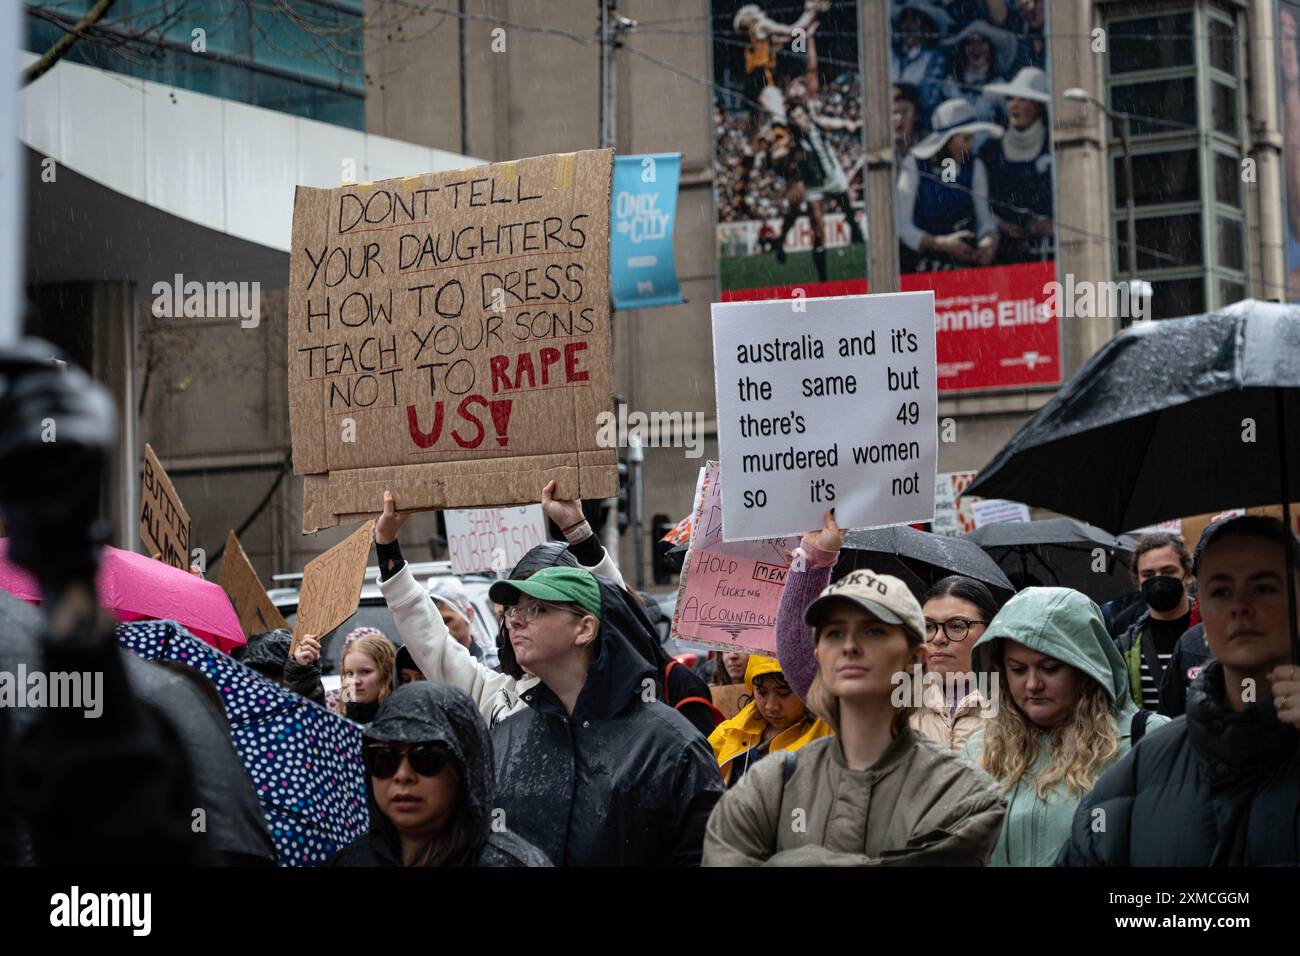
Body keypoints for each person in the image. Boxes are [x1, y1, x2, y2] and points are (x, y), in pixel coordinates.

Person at [704, 540, 1006, 865]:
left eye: (873, 631)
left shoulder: (966, 793)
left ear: (915, 658)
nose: (849, 645)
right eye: (834, 633)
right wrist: (814, 557)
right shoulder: (770, 784)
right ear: (819, 656)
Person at [1058, 516, 1300, 866]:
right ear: (1201, 598)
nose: (1240, 606)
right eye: (1220, 590)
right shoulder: (1146, 764)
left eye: (1263, 587)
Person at [487, 565, 724, 865]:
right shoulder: (504, 739)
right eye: (512, 612)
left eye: (536, 609)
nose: (515, 621)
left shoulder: (671, 746)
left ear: (585, 629)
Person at [960, 587, 1169, 865]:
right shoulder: (979, 750)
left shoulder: (1145, 741)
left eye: (1049, 668)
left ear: (1086, 667)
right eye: (1018, 670)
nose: (1033, 684)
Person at [328, 682, 550, 867]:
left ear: (466, 768)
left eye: (427, 757)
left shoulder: (512, 863)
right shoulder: (349, 862)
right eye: (385, 757)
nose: (403, 775)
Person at [896, 98, 1003, 273]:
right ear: (948, 139)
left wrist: (988, 241)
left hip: (966, 264)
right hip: (924, 267)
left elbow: (983, 216)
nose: (970, 146)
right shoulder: (915, 164)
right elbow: (903, 226)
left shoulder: (975, 166)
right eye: (965, 139)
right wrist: (941, 244)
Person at [709, 655, 831, 787]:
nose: (771, 706)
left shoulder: (828, 735)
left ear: (809, 689)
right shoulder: (730, 732)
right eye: (762, 692)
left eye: (784, 693)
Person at [979, 66, 1054, 264]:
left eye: (1022, 99)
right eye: (1011, 99)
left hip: (1049, 251)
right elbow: (978, 200)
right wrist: (1000, 225)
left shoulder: (1054, 147)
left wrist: (1050, 225)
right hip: (1003, 252)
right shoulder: (990, 151)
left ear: (1038, 105)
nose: (1014, 106)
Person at [916, 575, 1001, 749]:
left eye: (956, 626)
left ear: (990, 632)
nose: (939, 639)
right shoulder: (894, 705)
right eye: (928, 627)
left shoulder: (1017, 704)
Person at [1116, 532, 1194, 712]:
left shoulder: (1212, 636)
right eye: (1148, 574)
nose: (1158, 580)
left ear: (1188, 575)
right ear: (1138, 581)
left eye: (1168, 571)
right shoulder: (1125, 647)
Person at [339, 631, 396, 726]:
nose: (355, 681)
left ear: (387, 673)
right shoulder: (345, 716)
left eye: (365, 672)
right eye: (350, 673)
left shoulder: (399, 722)